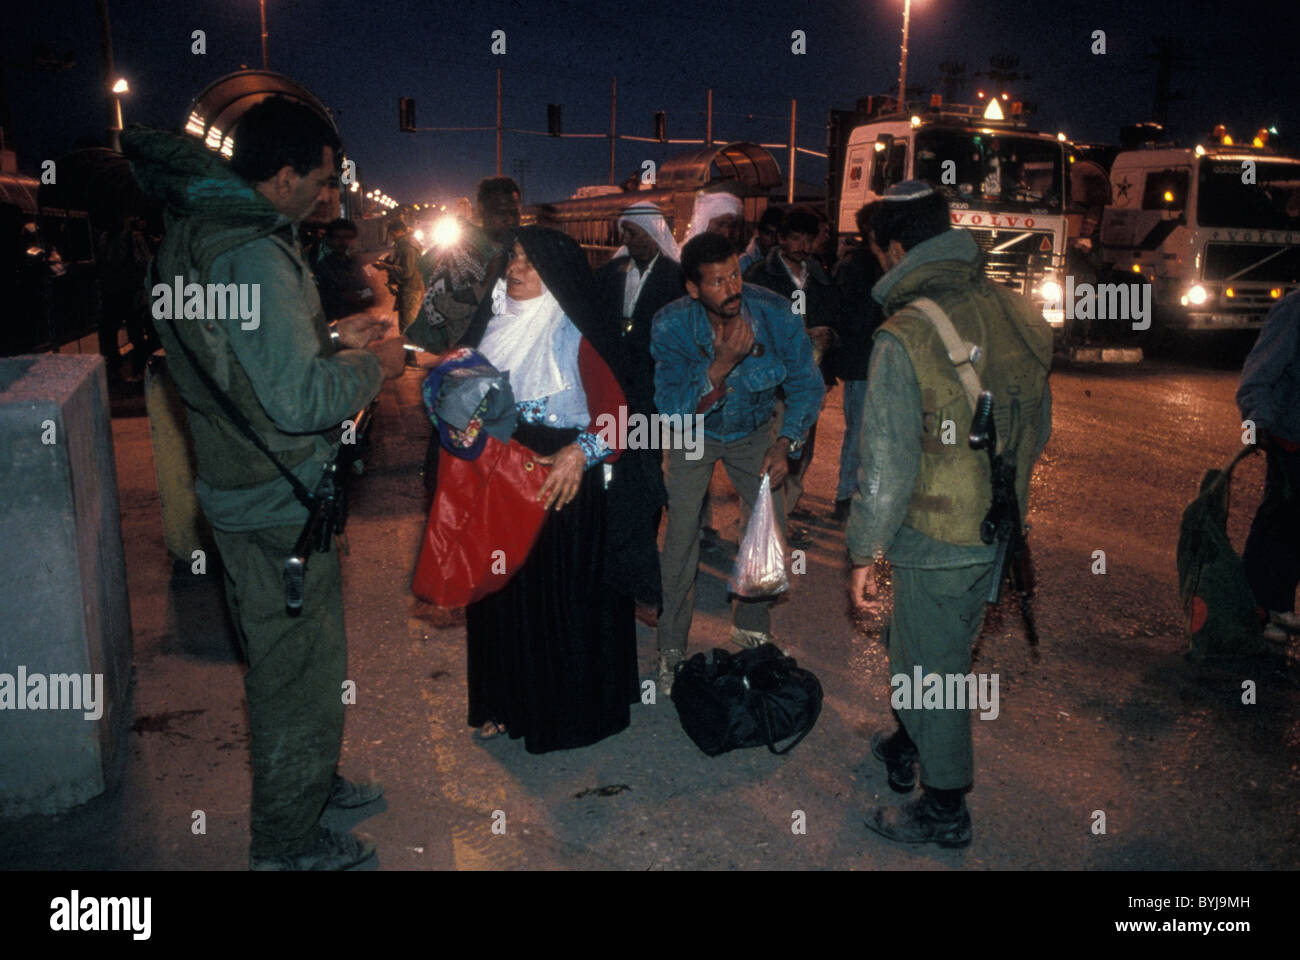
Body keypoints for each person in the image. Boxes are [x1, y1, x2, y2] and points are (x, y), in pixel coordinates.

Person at [123, 97, 408, 870]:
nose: (326, 197)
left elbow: (235, 355)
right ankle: (286, 841)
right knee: (298, 675)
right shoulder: (251, 250)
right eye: (319, 182)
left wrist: (323, 337)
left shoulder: (198, 231)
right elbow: (295, 401)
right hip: (276, 494)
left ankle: (310, 776)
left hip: (239, 484)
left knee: (288, 661)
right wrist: (368, 367)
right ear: (282, 176)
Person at [845, 181, 1052, 848]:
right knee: (934, 648)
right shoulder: (1015, 310)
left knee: (928, 671)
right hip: (997, 527)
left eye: (880, 252)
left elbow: (884, 466)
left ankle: (944, 807)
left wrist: (862, 553)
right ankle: (909, 745)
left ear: (898, 248)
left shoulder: (904, 335)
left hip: (937, 536)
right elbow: (1036, 426)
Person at [445, 226, 647, 752]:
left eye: (530, 264)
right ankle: (504, 702)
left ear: (556, 277)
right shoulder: (490, 326)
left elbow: (620, 415)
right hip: (498, 480)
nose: (515, 270)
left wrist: (579, 454)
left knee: (554, 597)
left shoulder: (575, 330)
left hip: (561, 484)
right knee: (501, 592)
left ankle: (562, 712)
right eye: (512, 258)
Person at [651, 232, 824, 691]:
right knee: (682, 539)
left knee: (770, 526)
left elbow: (808, 385)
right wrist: (721, 364)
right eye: (717, 282)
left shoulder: (774, 312)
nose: (731, 289)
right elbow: (670, 408)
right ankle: (671, 648)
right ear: (692, 288)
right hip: (693, 433)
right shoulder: (669, 326)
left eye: (735, 275)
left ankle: (751, 624)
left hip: (753, 435)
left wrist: (786, 442)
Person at [593, 202, 685, 613]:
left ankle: (643, 554)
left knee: (646, 471)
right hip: (612, 391)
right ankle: (619, 556)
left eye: (635, 233)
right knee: (613, 471)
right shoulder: (612, 273)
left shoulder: (677, 277)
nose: (628, 242)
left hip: (652, 395)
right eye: (625, 234)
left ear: (653, 232)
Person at [744, 205, 842, 530]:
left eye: (807, 239)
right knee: (772, 445)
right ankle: (763, 518)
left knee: (802, 443)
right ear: (781, 239)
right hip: (771, 379)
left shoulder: (820, 275)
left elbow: (835, 317)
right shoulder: (760, 275)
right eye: (794, 238)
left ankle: (788, 505)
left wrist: (829, 335)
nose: (800, 245)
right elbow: (748, 327)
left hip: (809, 375)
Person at [1236, 291, 1300, 646]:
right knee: (1279, 525)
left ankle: (1277, 605)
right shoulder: (1293, 310)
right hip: (1291, 442)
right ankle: (1256, 611)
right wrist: (1254, 427)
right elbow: (1256, 377)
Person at [831, 202, 886, 523]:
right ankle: (846, 496)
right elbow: (855, 318)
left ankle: (857, 494)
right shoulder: (858, 265)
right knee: (860, 432)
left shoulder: (871, 263)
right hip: (864, 362)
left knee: (870, 432)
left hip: (870, 360)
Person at [313, 218, 375, 322]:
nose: (343, 242)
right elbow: (322, 300)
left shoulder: (356, 263)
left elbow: (369, 291)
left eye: (347, 237)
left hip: (359, 320)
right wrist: (348, 297)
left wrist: (360, 296)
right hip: (336, 325)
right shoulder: (322, 267)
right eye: (338, 237)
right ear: (329, 240)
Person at [373, 219, 425, 335]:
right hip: (406, 288)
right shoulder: (403, 244)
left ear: (399, 232)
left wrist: (386, 266)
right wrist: (389, 263)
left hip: (410, 289)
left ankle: (410, 352)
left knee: (407, 326)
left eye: (392, 234)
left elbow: (407, 272)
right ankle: (408, 351)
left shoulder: (408, 247)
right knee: (404, 324)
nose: (391, 237)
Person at [739, 205, 783, 273]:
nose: (773, 240)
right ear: (759, 232)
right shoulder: (744, 261)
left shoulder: (787, 262)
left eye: (778, 236)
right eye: (768, 234)